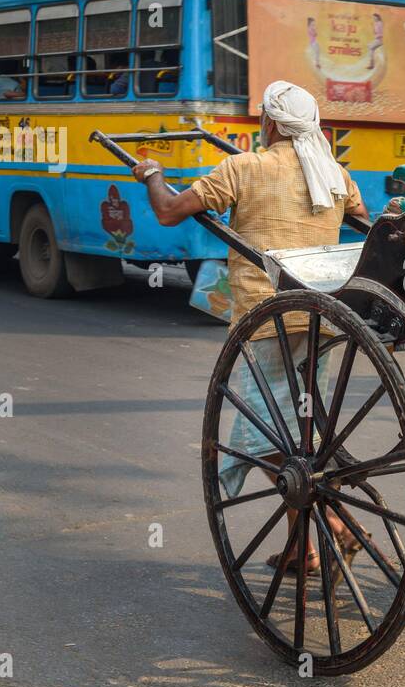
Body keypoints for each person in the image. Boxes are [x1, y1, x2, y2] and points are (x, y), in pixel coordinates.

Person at [135, 80, 371, 579]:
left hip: (269, 320)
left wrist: (152, 173)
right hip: (323, 317)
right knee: (300, 432)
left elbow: (168, 210)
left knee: (264, 436)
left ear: (268, 123)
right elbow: (362, 222)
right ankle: (300, 550)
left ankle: (336, 520)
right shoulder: (335, 175)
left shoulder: (242, 168)